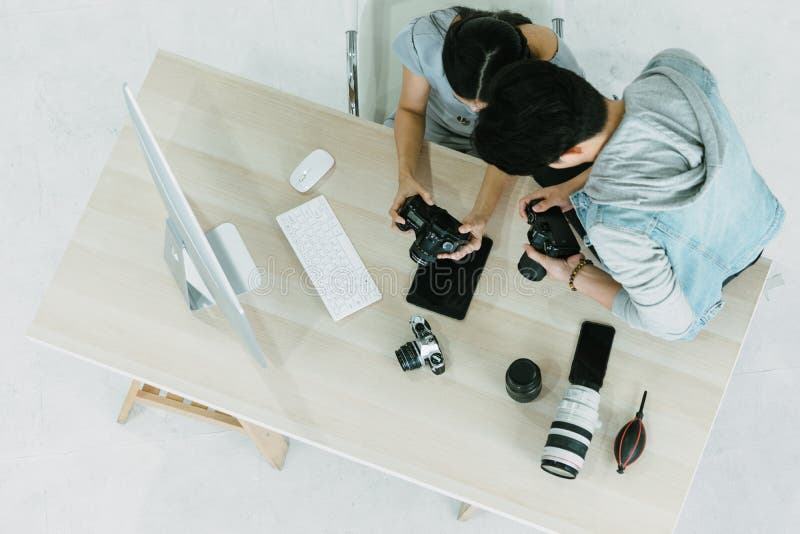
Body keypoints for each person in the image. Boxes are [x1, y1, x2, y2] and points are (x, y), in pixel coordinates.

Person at [472, 50, 784, 340]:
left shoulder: (614, 226)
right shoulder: (673, 68)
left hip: (707, 278)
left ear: (570, 151)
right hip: (756, 218)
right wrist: (569, 188)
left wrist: (574, 274)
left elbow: (675, 326)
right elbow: (637, 139)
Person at [386, 6, 585, 261]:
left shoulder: (555, 81)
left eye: (483, 108)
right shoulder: (429, 39)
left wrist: (481, 214)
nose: (472, 112)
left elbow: (511, 150)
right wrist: (406, 174)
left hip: (500, 150)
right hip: (428, 129)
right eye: (463, 100)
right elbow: (411, 109)